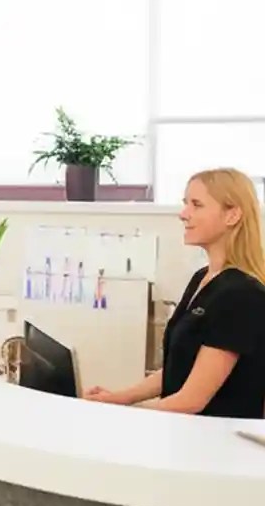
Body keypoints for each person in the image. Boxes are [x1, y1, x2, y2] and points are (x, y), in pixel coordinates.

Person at [86, 168, 265, 418]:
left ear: (232, 215)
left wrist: (121, 415)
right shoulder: (203, 278)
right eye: (185, 203)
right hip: (184, 428)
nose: (183, 214)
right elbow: (179, 369)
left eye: (197, 205)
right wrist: (119, 398)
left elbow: (191, 401)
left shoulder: (241, 294)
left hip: (215, 437)